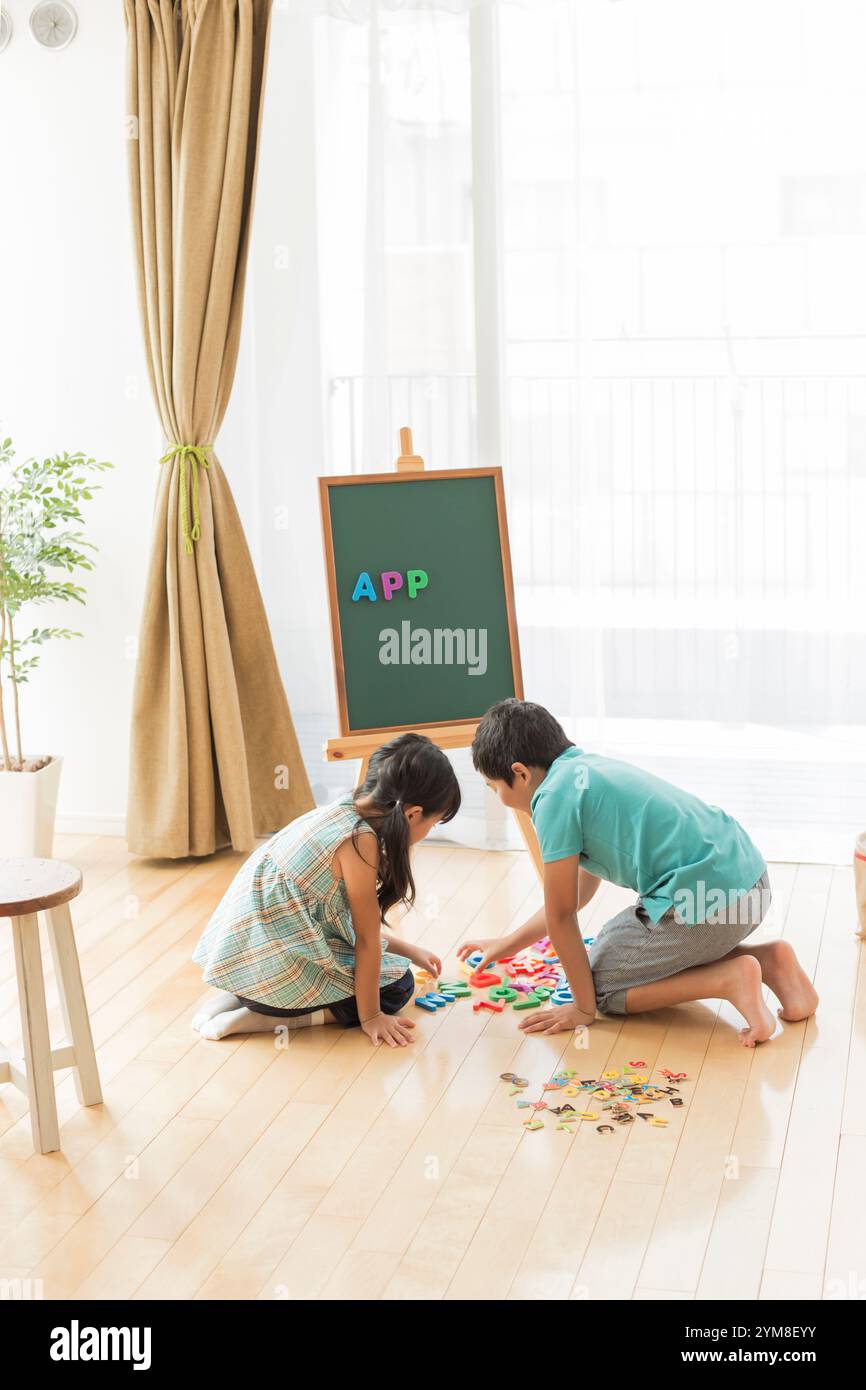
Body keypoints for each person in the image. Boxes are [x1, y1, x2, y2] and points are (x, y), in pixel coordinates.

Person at [459, 699, 818, 1046]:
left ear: (519, 774)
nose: (498, 798)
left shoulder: (553, 799)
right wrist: (507, 945)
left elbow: (561, 913)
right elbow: (577, 897)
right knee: (605, 949)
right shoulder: (582, 769)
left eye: (495, 788)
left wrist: (584, 1008)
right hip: (751, 886)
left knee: (601, 983)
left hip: (709, 905)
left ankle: (731, 978)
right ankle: (769, 961)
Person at [191, 732, 459, 1047]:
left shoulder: (340, 810)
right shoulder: (361, 841)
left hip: (242, 965)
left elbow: (335, 924)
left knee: (375, 968)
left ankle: (239, 1001)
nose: (427, 833)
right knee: (399, 985)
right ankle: (268, 1018)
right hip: (276, 984)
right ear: (413, 814)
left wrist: (409, 950)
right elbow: (366, 940)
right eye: (433, 823)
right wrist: (371, 1016)